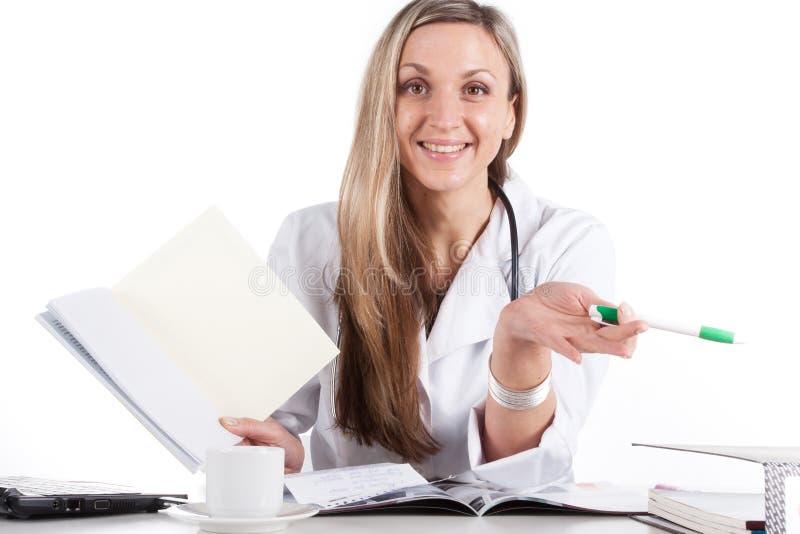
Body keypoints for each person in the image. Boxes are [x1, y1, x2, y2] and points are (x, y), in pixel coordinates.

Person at [217, 0, 647, 489]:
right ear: (385, 104)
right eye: (415, 87)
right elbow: (264, 423)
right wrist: (272, 453)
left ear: (511, 113)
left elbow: (524, 468)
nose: (444, 118)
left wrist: (517, 344)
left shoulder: (567, 243)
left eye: (475, 89)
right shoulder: (310, 240)